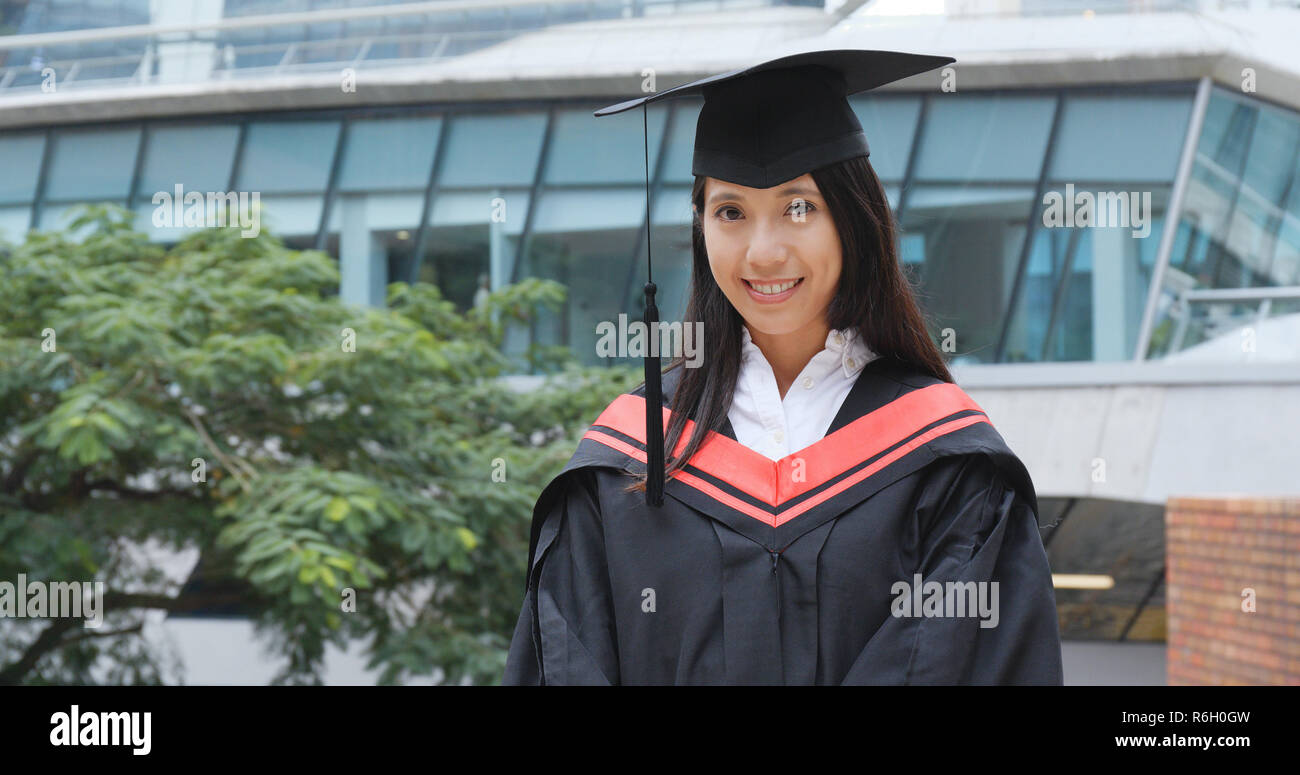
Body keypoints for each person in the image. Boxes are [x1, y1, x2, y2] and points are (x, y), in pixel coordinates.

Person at [502, 49, 1064, 685]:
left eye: (800, 207)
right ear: (700, 226)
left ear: (855, 221)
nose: (763, 252)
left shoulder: (950, 468)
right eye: (731, 212)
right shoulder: (624, 462)